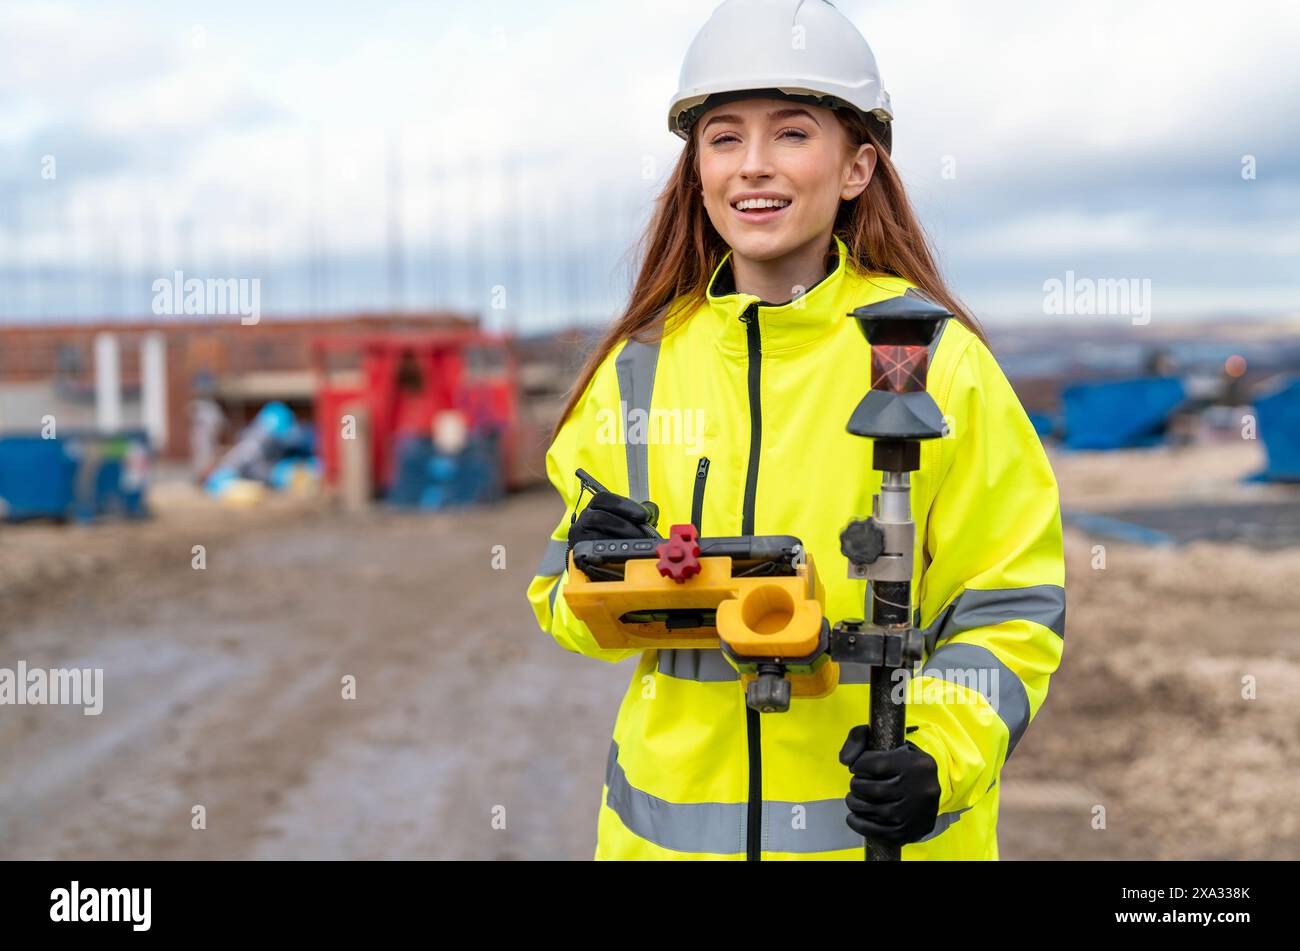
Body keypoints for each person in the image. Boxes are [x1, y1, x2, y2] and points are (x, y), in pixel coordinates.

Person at [526, 0, 1064, 860]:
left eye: (792, 134)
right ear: (695, 167)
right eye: (725, 137)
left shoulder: (927, 358)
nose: (754, 167)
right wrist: (593, 566)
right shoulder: (640, 369)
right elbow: (564, 603)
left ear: (856, 167)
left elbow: (1010, 605)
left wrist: (939, 753)